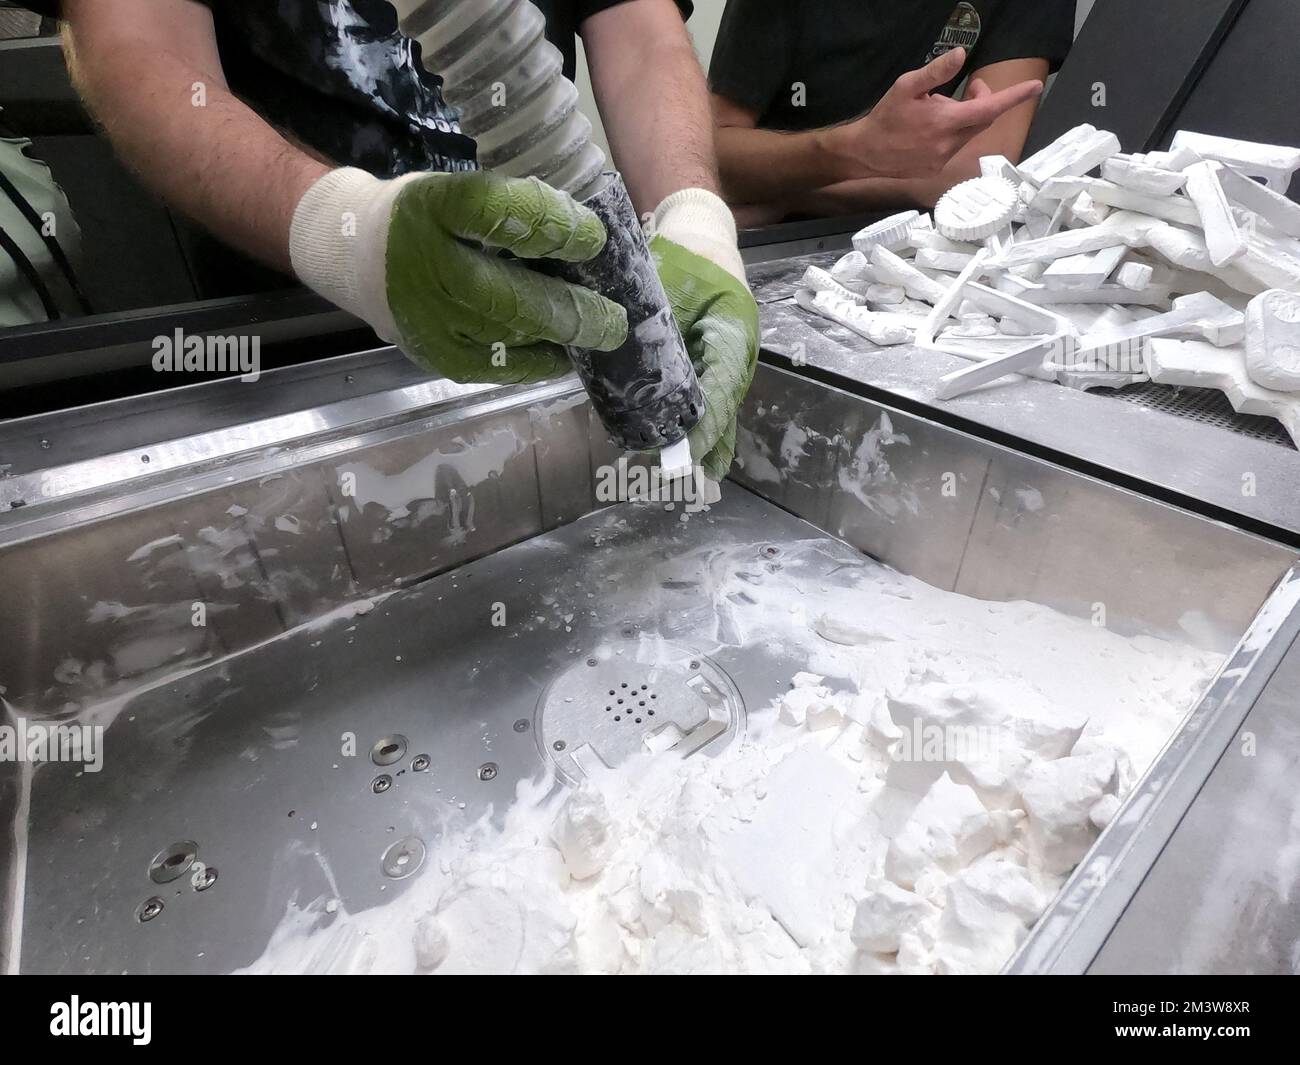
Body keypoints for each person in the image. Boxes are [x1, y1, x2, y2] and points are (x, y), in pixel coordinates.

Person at [24, 0, 760, 480]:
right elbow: (136, 43)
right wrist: (345, 232)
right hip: (298, 354)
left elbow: (638, 30)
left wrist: (693, 214)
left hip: (557, 321)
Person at [708, 0, 1076, 224]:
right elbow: (712, 154)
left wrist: (793, 193)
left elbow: (983, 168)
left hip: (895, 232)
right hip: (762, 236)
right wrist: (850, 151)